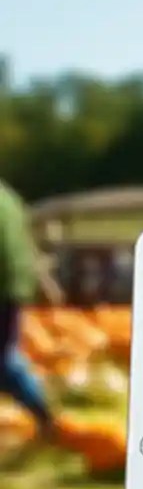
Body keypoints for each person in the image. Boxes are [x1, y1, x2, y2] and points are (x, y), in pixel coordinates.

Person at [0, 178, 58, 443]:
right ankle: (45, 417)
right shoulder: (8, 197)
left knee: (4, 361)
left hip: (5, 285)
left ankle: (46, 418)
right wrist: (44, 281)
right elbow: (27, 243)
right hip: (14, 286)